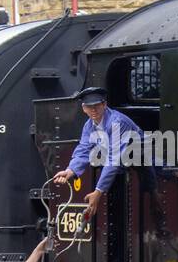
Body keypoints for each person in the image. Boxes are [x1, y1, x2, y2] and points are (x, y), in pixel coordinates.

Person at [53, 87, 144, 219]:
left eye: (97, 105)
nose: (93, 110)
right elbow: (84, 150)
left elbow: (114, 159)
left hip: (146, 163)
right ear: (84, 109)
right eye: (89, 107)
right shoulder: (89, 125)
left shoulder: (117, 123)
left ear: (104, 105)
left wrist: (98, 191)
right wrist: (70, 170)